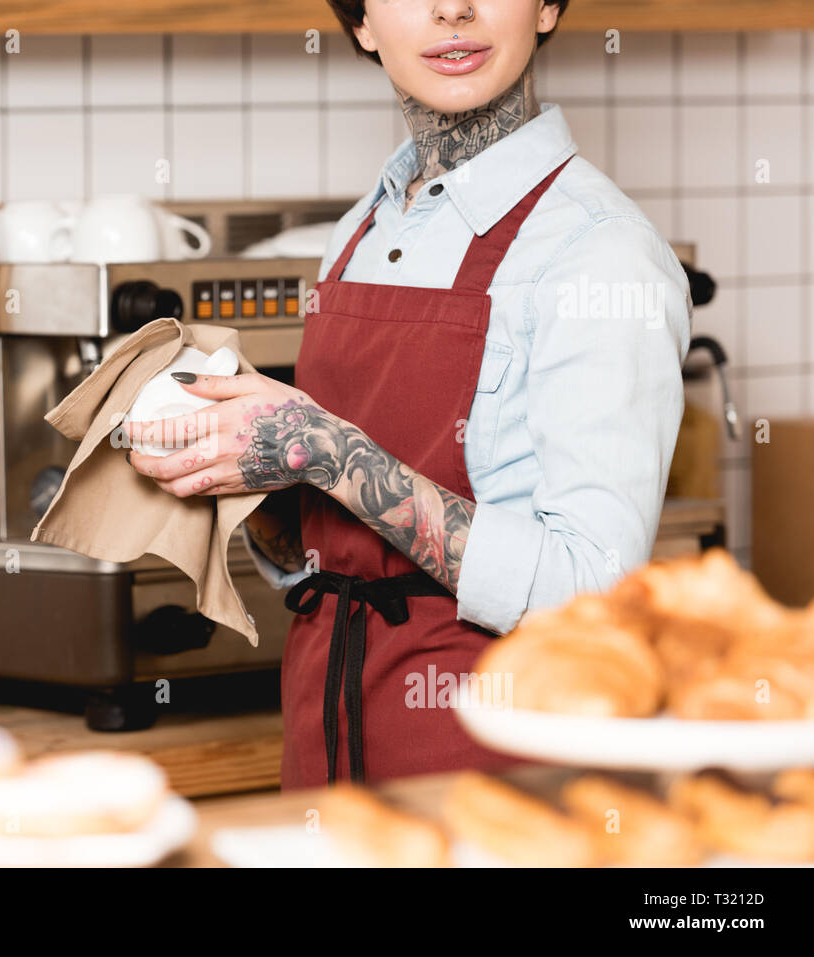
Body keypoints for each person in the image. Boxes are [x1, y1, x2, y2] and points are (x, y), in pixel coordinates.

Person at [125, 0, 690, 787]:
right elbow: (323, 554)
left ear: (548, 5)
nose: (451, 7)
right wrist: (261, 464)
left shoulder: (599, 252)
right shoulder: (358, 232)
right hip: (325, 741)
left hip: (496, 767)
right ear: (360, 21)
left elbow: (592, 593)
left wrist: (330, 449)